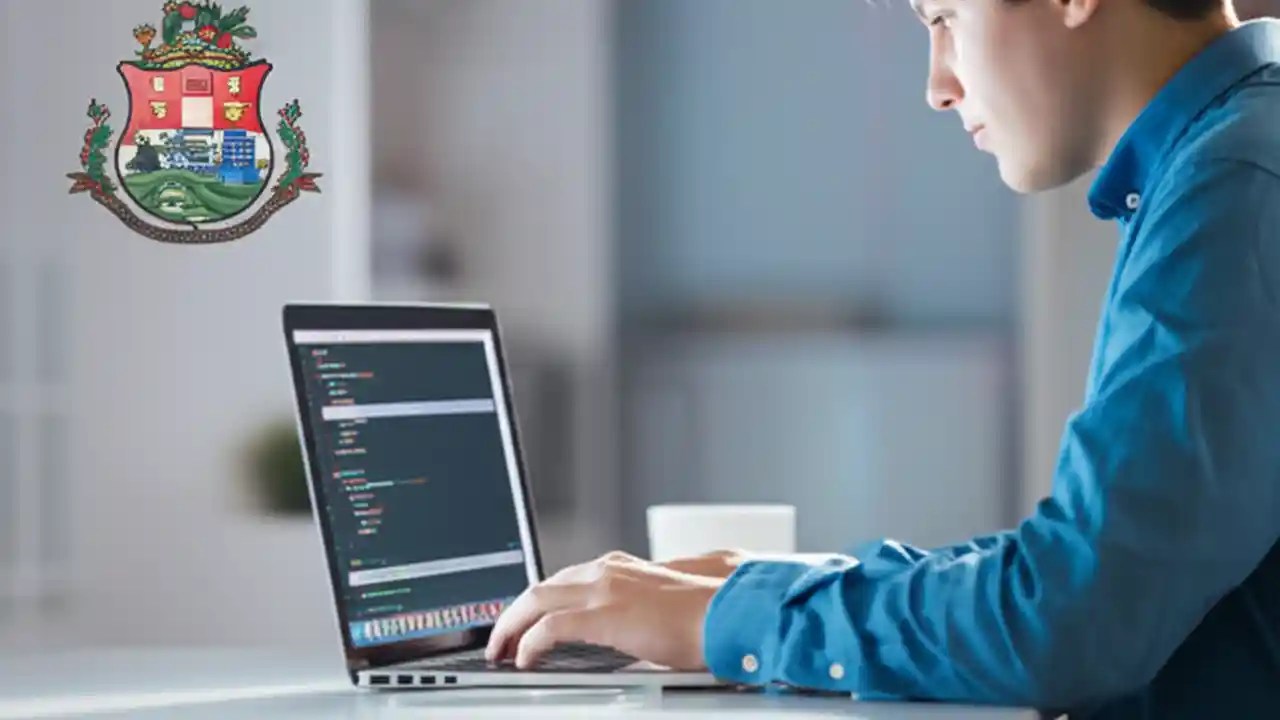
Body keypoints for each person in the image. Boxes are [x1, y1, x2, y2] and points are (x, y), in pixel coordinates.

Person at [485, 1, 1280, 717]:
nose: (937, 84)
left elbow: (1070, 615)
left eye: (944, 20)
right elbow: (1092, 569)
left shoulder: (1235, 186)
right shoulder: (1227, 160)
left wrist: (724, 619)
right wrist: (780, 589)